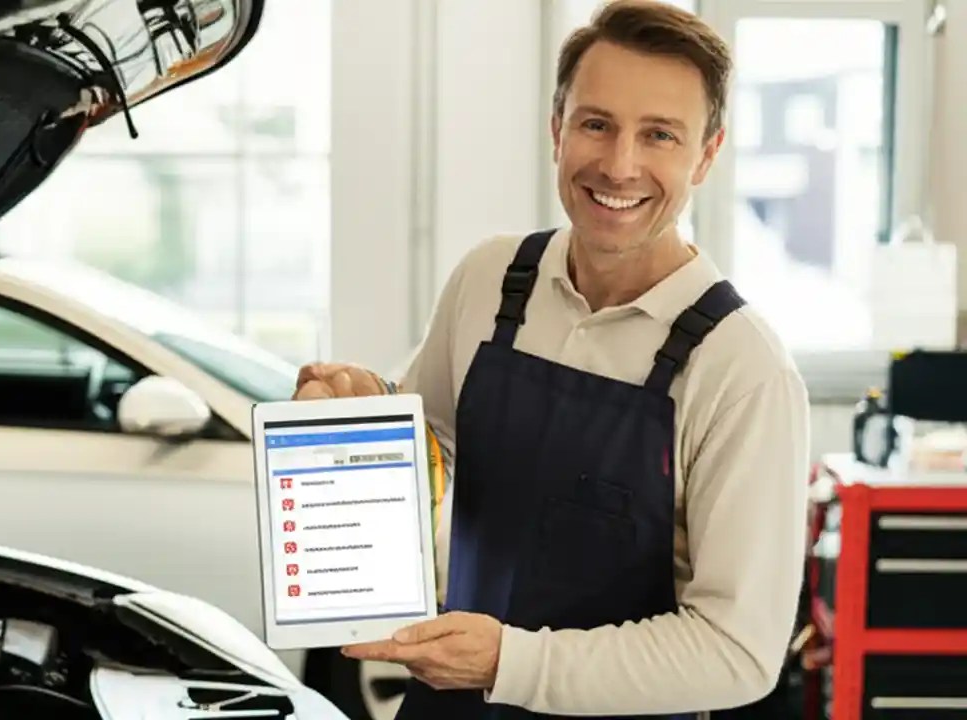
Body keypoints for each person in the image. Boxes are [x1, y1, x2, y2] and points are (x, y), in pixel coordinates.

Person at [293, 1, 810, 717]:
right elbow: (431, 452)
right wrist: (359, 415)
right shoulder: (490, 277)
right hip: (451, 703)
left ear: (707, 154)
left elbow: (739, 650)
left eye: (659, 134)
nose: (620, 165)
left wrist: (511, 661)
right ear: (556, 130)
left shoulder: (743, 369)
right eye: (595, 124)